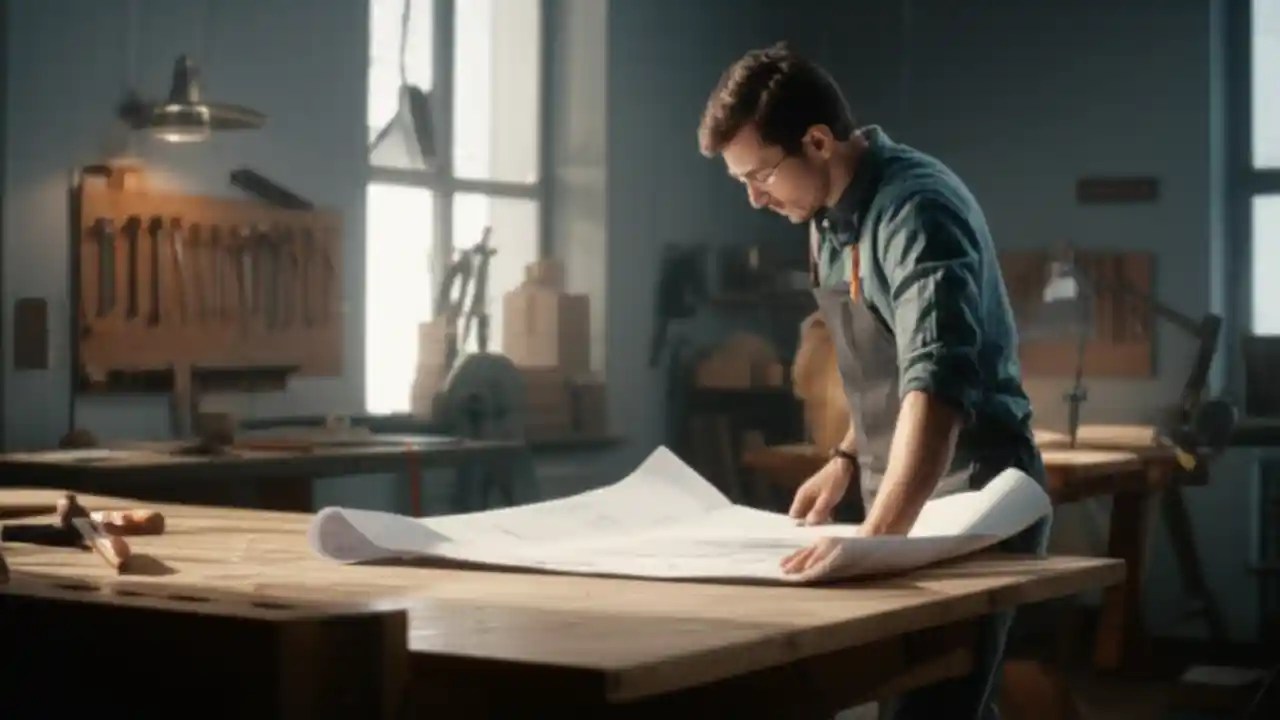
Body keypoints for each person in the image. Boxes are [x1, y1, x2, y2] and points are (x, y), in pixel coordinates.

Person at [697, 42, 1052, 720]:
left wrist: (878, 538)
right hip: (903, 496)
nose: (753, 197)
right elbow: (881, 363)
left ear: (819, 140)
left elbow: (937, 380)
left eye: (762, 174)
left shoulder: (915, 211)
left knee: (933, 707)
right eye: (741, 180)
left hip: (976, 501)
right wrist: (847, 459)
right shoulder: (825, 218)